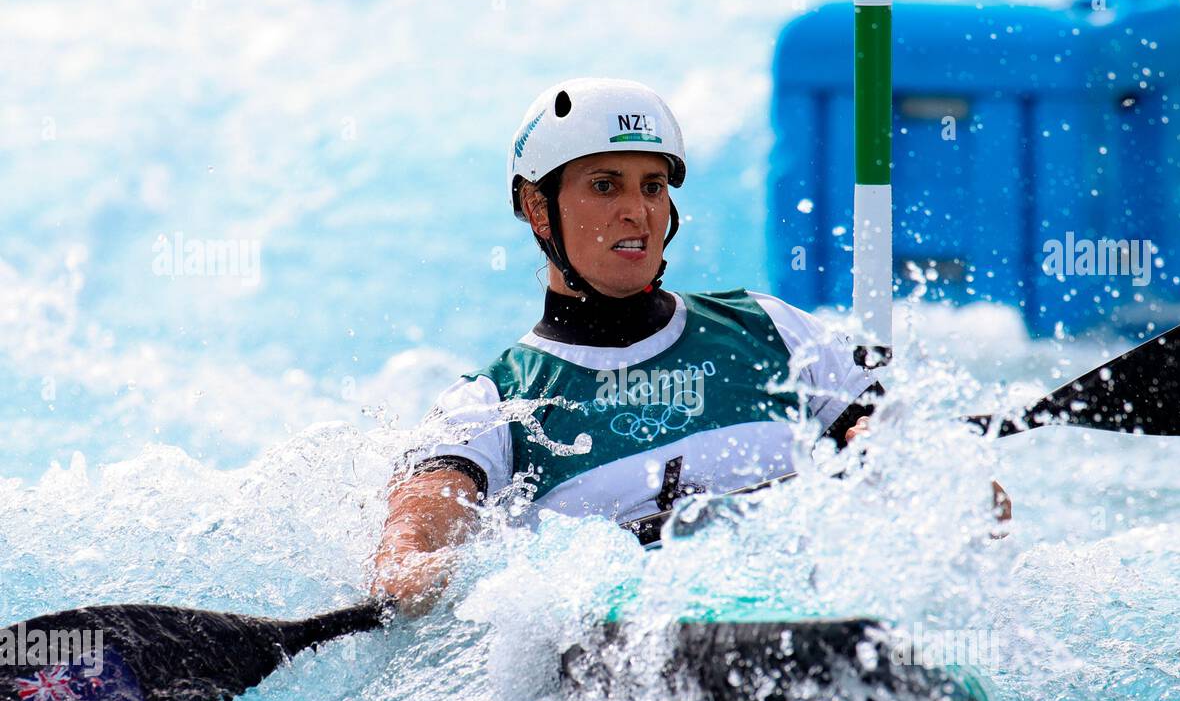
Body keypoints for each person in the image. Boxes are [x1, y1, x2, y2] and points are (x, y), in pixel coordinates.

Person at [371, 77, 1008, 614]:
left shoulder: (770, 327)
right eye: (605, 186)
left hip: (811, 609)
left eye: (653, 187)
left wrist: (908, 459)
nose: (637, 211)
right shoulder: (491, 403)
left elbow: (988, 511)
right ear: (538, 209)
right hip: (634, 644)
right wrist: (417, 569)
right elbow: (414, 538)